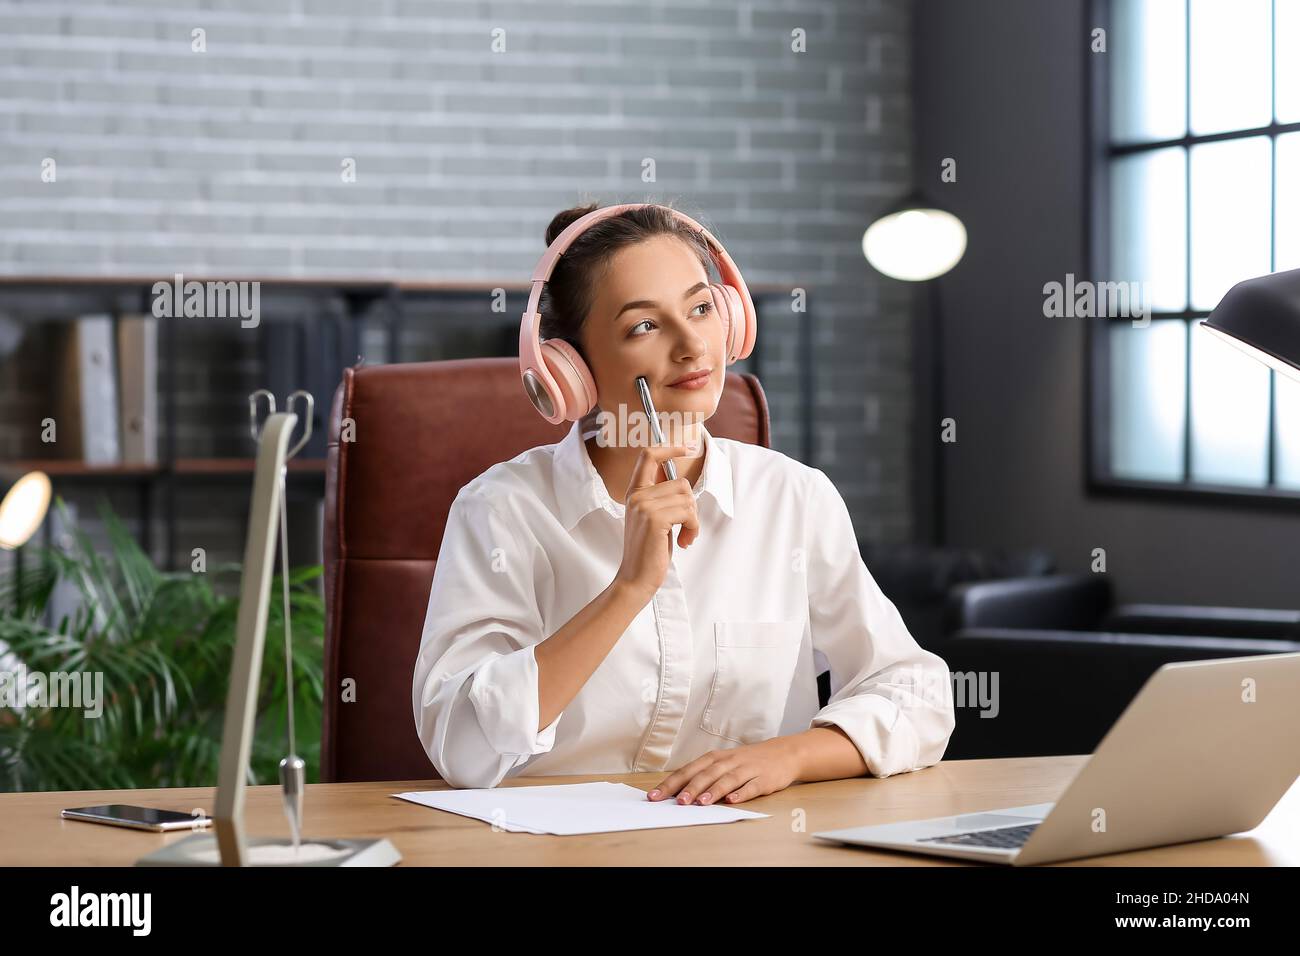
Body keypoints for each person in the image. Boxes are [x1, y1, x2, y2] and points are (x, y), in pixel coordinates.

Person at [412, 202, 955, 805]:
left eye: (701, 309)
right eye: (644, 326)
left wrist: (791, 755)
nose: (692, 345)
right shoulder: (502, 510)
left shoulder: (792, 497)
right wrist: (629, 588)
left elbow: (917, 692)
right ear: (572, 369)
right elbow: (460, 745)